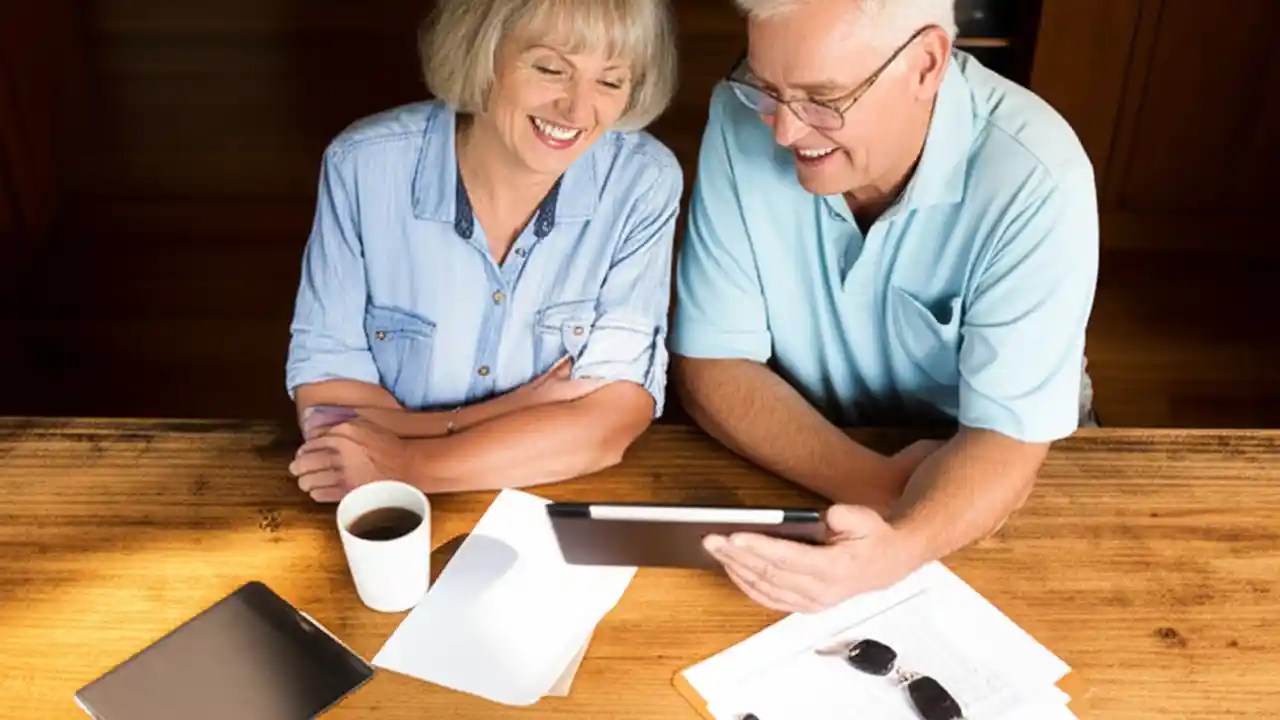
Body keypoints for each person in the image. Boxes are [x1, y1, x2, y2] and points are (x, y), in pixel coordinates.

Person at [672, 0, 1099, 612]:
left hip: (994, 478)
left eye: (824, 98)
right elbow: (712, 362)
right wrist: (874, 485)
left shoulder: (1038, 177)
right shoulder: (738, 118)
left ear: (926, 64)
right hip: (811, 450)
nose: (785, 131)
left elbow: (1006, 438)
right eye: (767, 89)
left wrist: (899, 548)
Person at [285, 0, 680, 503]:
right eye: (550, 69)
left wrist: (409, 464)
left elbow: (610, 423)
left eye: (610, 81)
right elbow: (330, 414)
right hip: (381, 517)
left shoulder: (642, 182)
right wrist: (507, 411)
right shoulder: (362, 166)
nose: (579, 110)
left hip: (538, 502)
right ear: (482, 52)